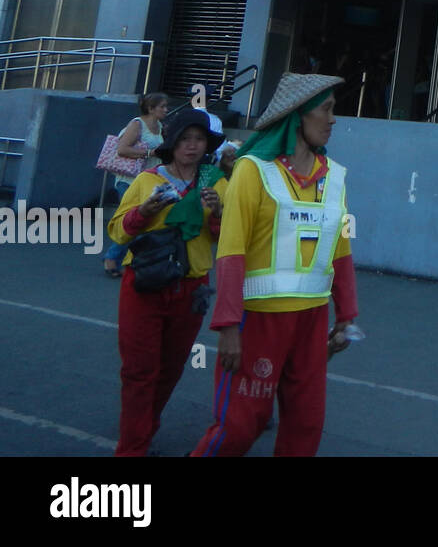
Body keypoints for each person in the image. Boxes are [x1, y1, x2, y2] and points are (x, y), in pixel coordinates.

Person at [191, 73, 360, 457]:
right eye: (327, 110)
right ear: (297, 116)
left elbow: (340, 251)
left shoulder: (334, 178)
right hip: (258, 321)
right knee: (237, 428)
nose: (333, 119)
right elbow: (231, 252)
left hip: (311, 321)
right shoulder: (253, 171)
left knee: (306, 426)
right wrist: (229, 327)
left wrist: (346, 316)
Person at [107, 106, 225, 456]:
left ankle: (144, 425)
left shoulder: (216, 182)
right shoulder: (148, 180)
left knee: (170, 370)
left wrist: (218, 212)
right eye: (185, 139)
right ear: (171, 143)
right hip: (143, 285)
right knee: (139, 371)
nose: (192, 146)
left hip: (190, 290)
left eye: (199, 139)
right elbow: (117, 230)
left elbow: (230, 236)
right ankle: (133, 446)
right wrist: (144, 212)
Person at [103, 93, 169, 278]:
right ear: (151, 108)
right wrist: (149, 152)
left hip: (148, 180)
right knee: (132, 221)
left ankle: (124, 259)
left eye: (166, 106)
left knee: (142, 222)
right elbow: (122, 149)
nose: (166, 109)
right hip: (129, 180)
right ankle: (112, 258)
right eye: (162, 106)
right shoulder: (137, 124)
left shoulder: (160, 127)